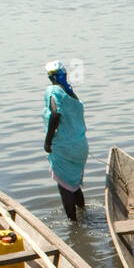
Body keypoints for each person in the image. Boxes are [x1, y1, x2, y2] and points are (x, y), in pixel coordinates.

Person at [43, 60, 89, 220]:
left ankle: (74, 224)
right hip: (80, 146)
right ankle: (84, 212)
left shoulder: (53, 91)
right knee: (74, 185)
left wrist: (47, 141)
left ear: (50, 78)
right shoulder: (71, 93)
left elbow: (55, 114)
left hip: (65, 147)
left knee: (64, 187)